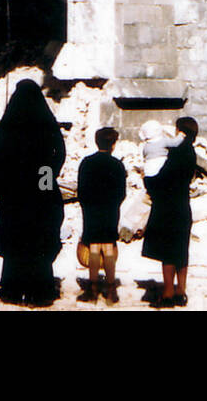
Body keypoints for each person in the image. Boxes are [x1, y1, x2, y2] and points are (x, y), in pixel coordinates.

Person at [0, 78, 65, 306]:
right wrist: (45, 184)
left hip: (14, 196)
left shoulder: (10, 125)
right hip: (39, 195)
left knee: (15, 243)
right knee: (39, 241)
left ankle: (13, 289)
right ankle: (40, 291)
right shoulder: (46, 124)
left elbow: (0, 161)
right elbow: (56, 155)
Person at [141, 115, 198, 308]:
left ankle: (167, 293)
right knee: (182, 250)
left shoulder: (175, 152)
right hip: (183, 204)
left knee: (167, 250)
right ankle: (181, 291)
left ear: (180, 130)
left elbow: (164, 177)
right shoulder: (191, 152)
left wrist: (147, 181)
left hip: (167, 206)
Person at [76, 127, 127, 303]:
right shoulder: (117, 165)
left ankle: (93, 288)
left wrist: (87, 205)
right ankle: (111, 290)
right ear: (113, 144)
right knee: (108, 246)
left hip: (91, 209)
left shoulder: (86, 162)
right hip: (110, 209)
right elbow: (122, 192)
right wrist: (113, 205)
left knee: (94, 246)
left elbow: (81, 190)